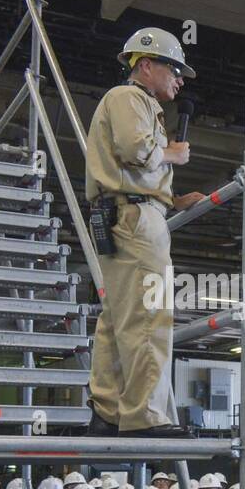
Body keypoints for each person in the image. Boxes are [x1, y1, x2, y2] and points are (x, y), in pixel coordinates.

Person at [84, 29, 204, 438]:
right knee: (150, 316)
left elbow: (130, 169)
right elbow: (134, 150)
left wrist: (171, 199)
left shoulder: (134, 103)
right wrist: (173, 153)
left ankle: (108, 411)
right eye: (174, 68)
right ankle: (145, 417)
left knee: (118, 318)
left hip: (126, 213)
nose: (180, 79)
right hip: (135, 220)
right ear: (146, 65)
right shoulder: (128, 97)